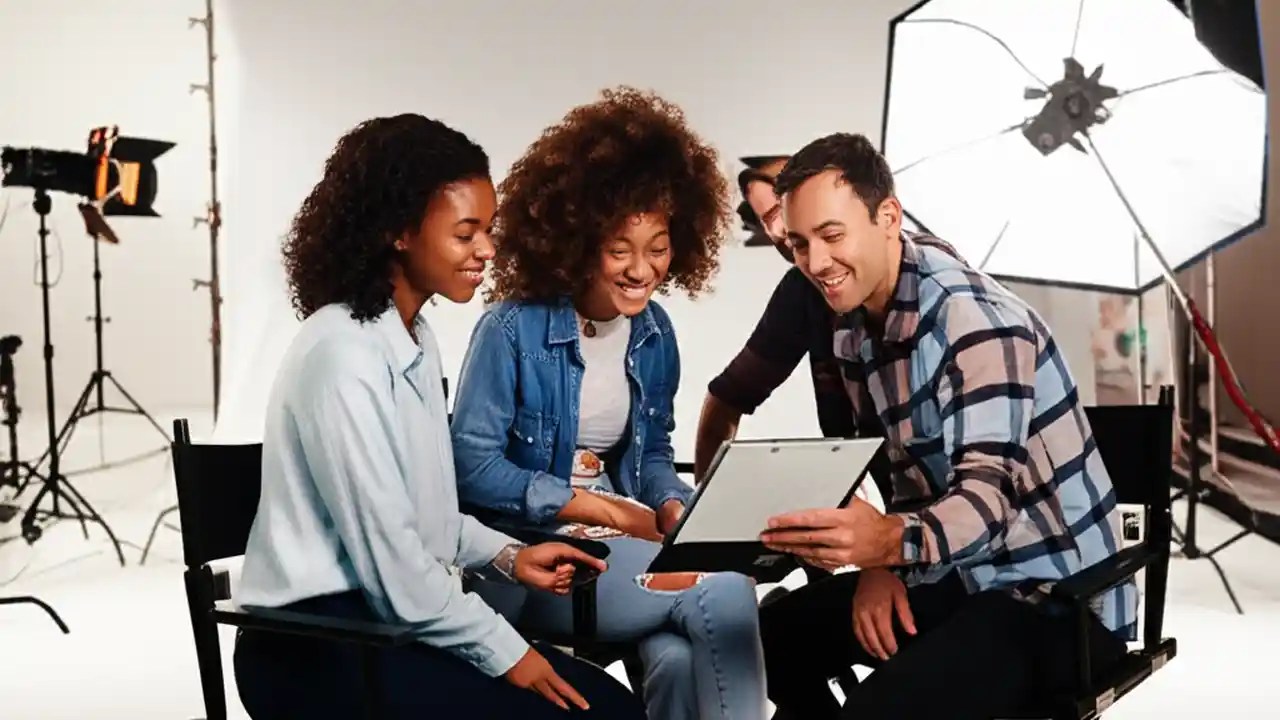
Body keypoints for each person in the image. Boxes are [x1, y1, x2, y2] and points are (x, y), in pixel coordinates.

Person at [232, 114, 646, 720]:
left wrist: (509, 556)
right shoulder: (341, 355)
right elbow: (396, 568)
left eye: (489, 229)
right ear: (400, 231)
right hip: (317, 646)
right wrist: (509, 652)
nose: (486, 250)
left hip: (386, 624)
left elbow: (425, 520)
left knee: (607, 705)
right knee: (596, 713)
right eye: (466, 233)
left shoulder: (413, 337)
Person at [754, 133, 1136, 719]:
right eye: (800, 244)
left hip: (1055, 599)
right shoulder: (854, 324)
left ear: (889, 216)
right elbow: (904, 474)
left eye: (832, 236)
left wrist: (886, 541)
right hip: (961, 575)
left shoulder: (976, 323)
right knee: (765, 638)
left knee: (881, 708)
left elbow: (987, 502)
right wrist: (880, 569)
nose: (816, 262)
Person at [450, 87, 767, 720]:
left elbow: (651, 454)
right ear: (575, 239)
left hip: (623, 549)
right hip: (539, 559)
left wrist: (673, 505)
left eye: (658, 248)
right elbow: (470, 468)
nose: (641, 270)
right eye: (620, 249)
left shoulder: (654, 334)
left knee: (676, 661)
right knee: (726, 593)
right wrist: (602, 510)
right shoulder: (511, 329)